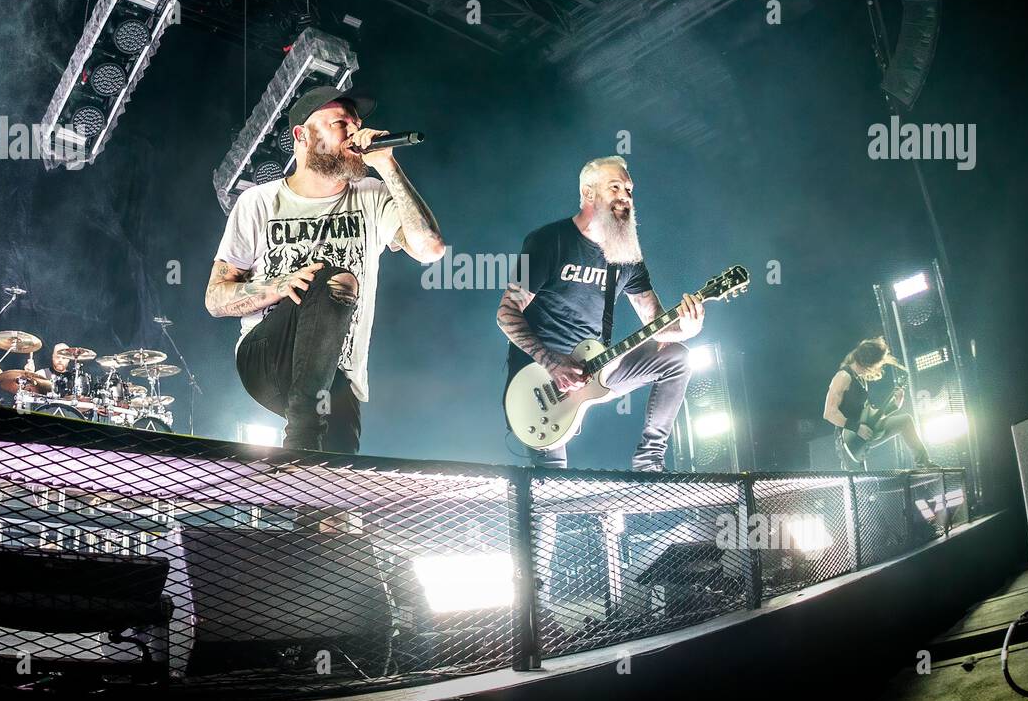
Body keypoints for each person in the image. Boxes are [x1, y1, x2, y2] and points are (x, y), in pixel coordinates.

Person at [205, 87, 444, 453]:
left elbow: (431, 249)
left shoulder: (371, 193)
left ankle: (309, 469)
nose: (354, 132)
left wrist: (388, 166)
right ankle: (301, 439)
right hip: (269, 356)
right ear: (301, 136)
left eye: (357, 124)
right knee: (336, 278)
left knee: (335, 499)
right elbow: (215, 298)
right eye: (340, 124)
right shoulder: (257, 202)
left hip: (335, 375)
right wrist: (278, 286)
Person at [496, 155, 704, 471]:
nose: (625, 196)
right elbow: (507, 313)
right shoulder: (548, 241)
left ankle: (649, 460)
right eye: (615, 187)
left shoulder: (627, 257)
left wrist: (686, 329)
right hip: (542, 380)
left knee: (677, 357)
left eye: (629, 190)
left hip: (596, 368)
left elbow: (656, 325)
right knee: (548, 495)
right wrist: (552, 362)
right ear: (589, 194)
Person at [822, 336, 939, 469]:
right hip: (849, 439)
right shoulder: (843, 377)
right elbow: (829, 413)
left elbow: (869, 416)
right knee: (858, 482)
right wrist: (857, 428)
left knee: (905, 421)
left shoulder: (860, 379)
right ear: (868, 364)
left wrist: (894, 406)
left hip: (865, 430)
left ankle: (924, 464)